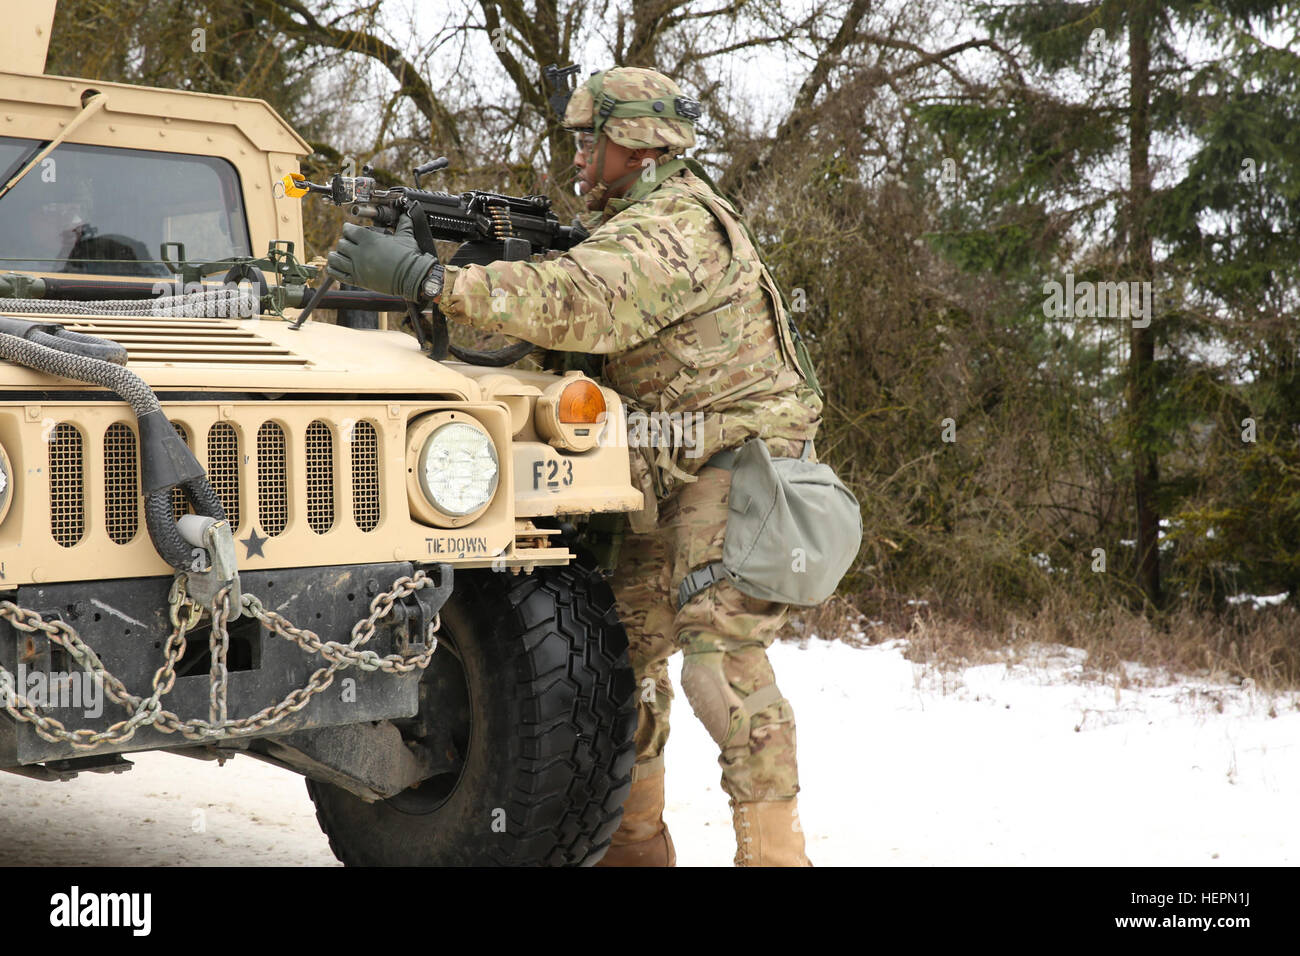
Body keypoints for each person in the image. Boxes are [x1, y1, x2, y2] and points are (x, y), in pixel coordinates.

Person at [326, 67, 823, 867]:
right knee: (618, 670)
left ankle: (776, 860)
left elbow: (580, 300)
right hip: (668, 470)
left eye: (591, 140)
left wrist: (431, 279)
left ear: (635, 144)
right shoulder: (632, 221)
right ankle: (633, 850)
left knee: (720, 668)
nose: (581, 158)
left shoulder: (676, 224)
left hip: (736, 465)